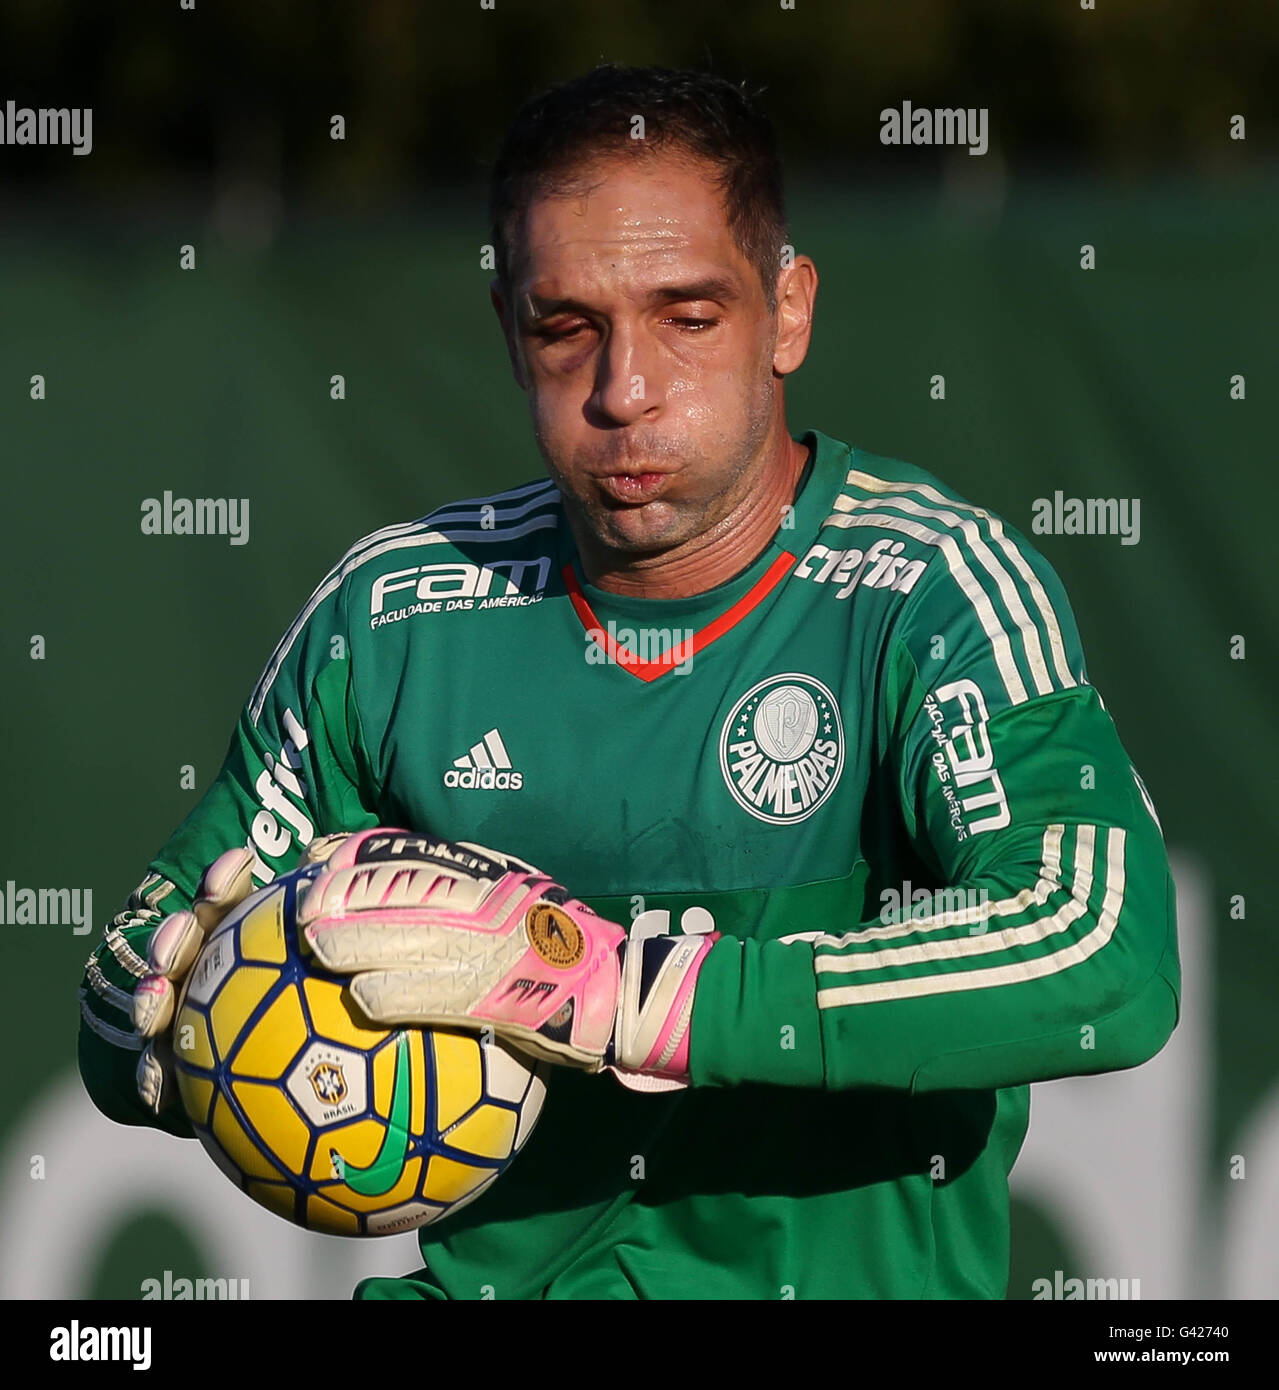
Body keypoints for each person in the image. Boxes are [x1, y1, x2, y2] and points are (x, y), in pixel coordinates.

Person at [77, 63, 1180, 1300]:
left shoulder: (928, 593)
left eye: (687, 316)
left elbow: (1107, 957)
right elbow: (141, 964)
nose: (625, 390)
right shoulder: (393, 615)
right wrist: (168, 1019)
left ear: (789, 310)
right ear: (508, 330)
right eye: (567, 327)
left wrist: (621, 992)